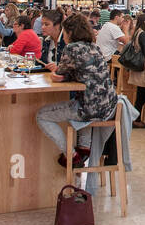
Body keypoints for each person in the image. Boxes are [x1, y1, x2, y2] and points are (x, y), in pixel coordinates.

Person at [37, 12, 134, 186]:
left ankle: (71, 155)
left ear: (70, 33)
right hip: (110, 107)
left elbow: (59, 75)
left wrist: (56, 72)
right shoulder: (94, 47)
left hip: (90, 110)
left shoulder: (71, 48)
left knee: (42, 115)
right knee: (85, 110)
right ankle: (84, 148)